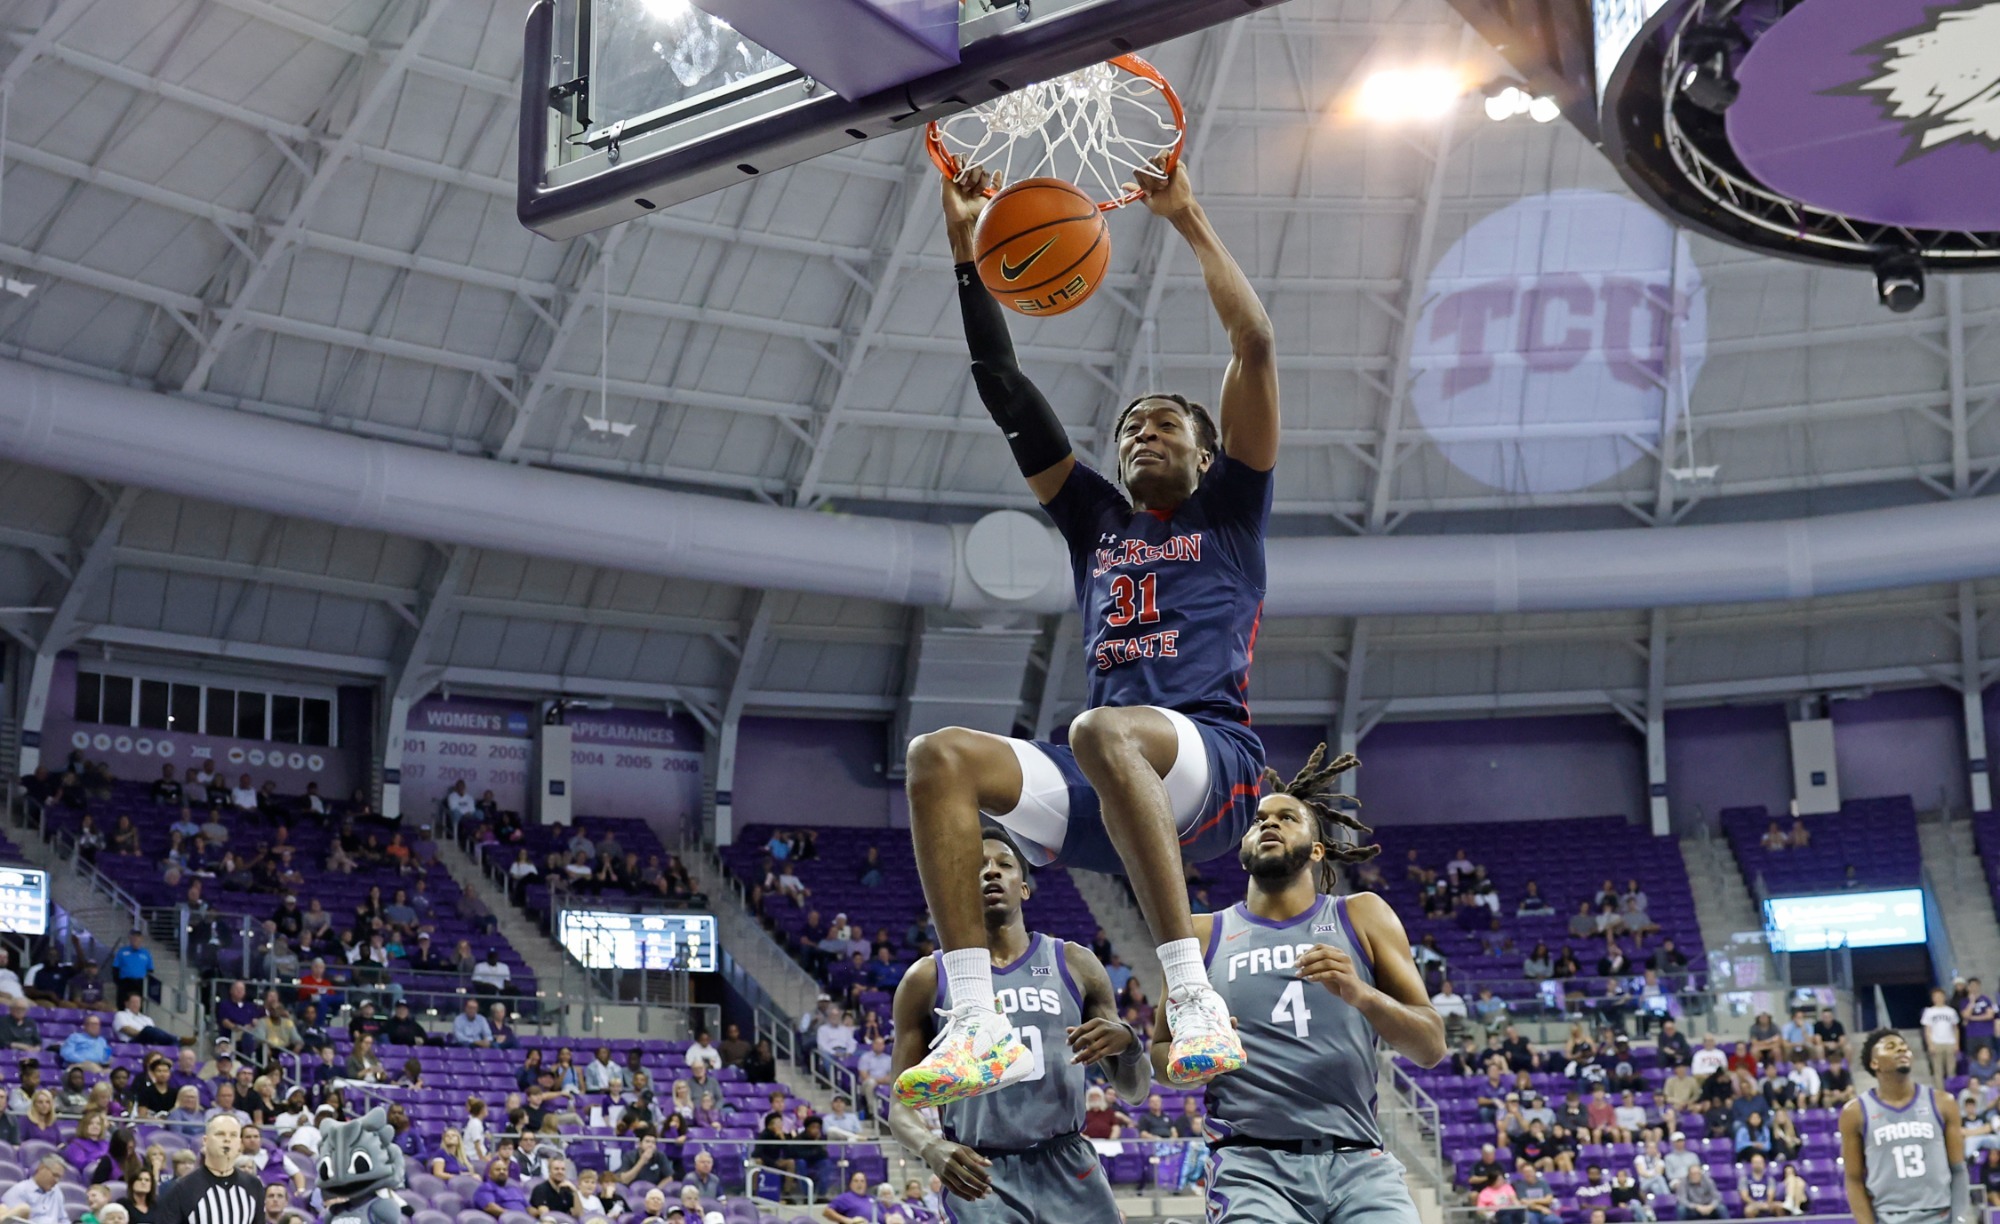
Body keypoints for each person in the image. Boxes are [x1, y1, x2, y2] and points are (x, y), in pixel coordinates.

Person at [895, 154, 1280, 1108]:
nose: (1139, 436)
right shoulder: (1097, 523)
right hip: (1108, 788)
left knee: (1099, 728)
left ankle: (1190, 996)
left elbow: (1256, 345)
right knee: (939, 756)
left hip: (1212, 764)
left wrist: (1187, 216)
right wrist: (964, 245)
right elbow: (1001, 382)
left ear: (1205, 449)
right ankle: (977, 1021)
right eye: (1128, 431)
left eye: (1162, 426)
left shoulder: (1230, 511)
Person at [1148, 746, 1444, 1224]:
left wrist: (1363, 994)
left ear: (1318, 848)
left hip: (1359, 1161)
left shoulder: (1361, 914)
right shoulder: (1199, 932)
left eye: (1287, 817)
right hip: (1251, 1166)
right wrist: (1197, 1055)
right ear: (1242, 849)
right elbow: (1159, 1058)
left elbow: (1430, 1046)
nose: (1269, 823)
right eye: (1258, 819)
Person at [886, 827, 1144, 1221]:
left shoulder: (1075, 964)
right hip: (981, 1174)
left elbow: (1135, 1089)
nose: (991, 872)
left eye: (1004, 865)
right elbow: (900, 1106)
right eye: (977, 866)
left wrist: (1129, 1044)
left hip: (1068, 1163)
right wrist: (930, 1147)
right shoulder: (927, 978)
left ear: (1024, 888)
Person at [1842, 1028, 1967, 1224]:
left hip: (1940, 1216)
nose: (1901, 1050)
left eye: (1904, 1047)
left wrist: (1959, 1217)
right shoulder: (1855, 1112)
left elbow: (1958, 1169)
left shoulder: (1943, 1102)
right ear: (1875, 1063)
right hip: (1888, 1217)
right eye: (1891, 1047)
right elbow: (1854, 1179)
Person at [154, 1116, 263, 1224]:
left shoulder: (253, 1185)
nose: (227, 1139)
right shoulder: (183, 1188)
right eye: (220, 1134)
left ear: (239, 1144)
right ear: (205, 1141)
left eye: (233, 1135)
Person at [0, 1157, 68, 1224]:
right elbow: (9, 1221)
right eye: (55, 1175)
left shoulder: (57, 1191)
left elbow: (63, 1220)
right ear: (41, 1168)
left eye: (59, 1177)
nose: (57, 1181)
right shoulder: (19, 1191)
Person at [1925, 988, 1963, 1087]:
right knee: (1938, 1071)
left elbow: (1956, 1029)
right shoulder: (1929, 1012)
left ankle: (1952, 1091)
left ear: (1944, 997)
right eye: (1936, 996)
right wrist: (1930, 1045)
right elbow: (1928, 1030)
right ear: (1933, 998)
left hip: (1950, 1043)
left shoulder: (1951, 1011)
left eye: (1940, 996)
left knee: (1952, 1070)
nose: (1938, 998)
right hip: (1936, 1042)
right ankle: (1940, 1093)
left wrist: (1956, 1044)